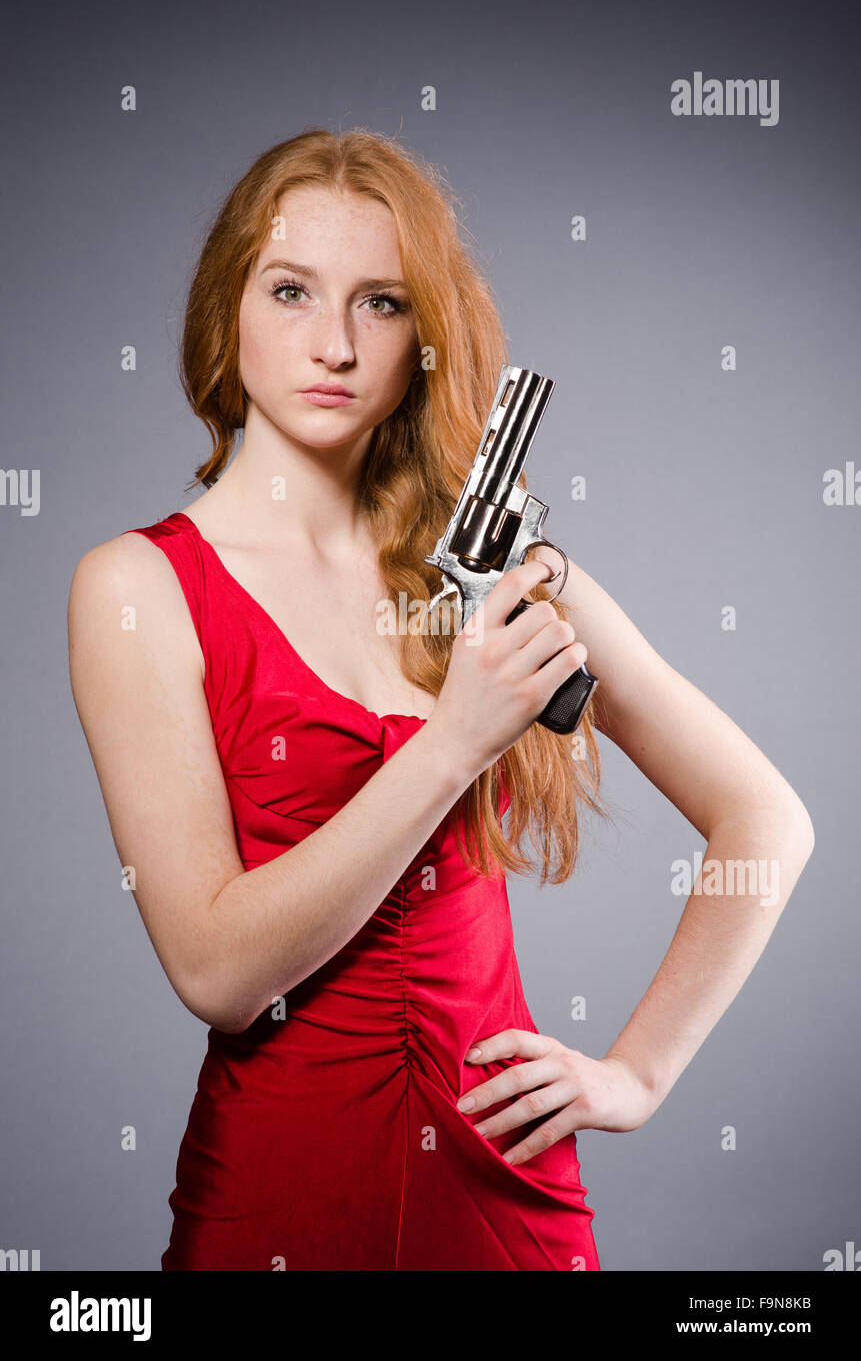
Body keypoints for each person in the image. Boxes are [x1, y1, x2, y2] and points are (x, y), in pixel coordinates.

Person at [67, 127, 814, 1272]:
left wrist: (637, 1074)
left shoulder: (500, 572)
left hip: (506, 1203)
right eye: (291, 291)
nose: (334, 343)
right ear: (227, 312)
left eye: (380, 303)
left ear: (424, 337)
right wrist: (453, 741)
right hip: (276, 1205)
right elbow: (218, 974)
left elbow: (767, 819)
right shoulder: (138, 588)